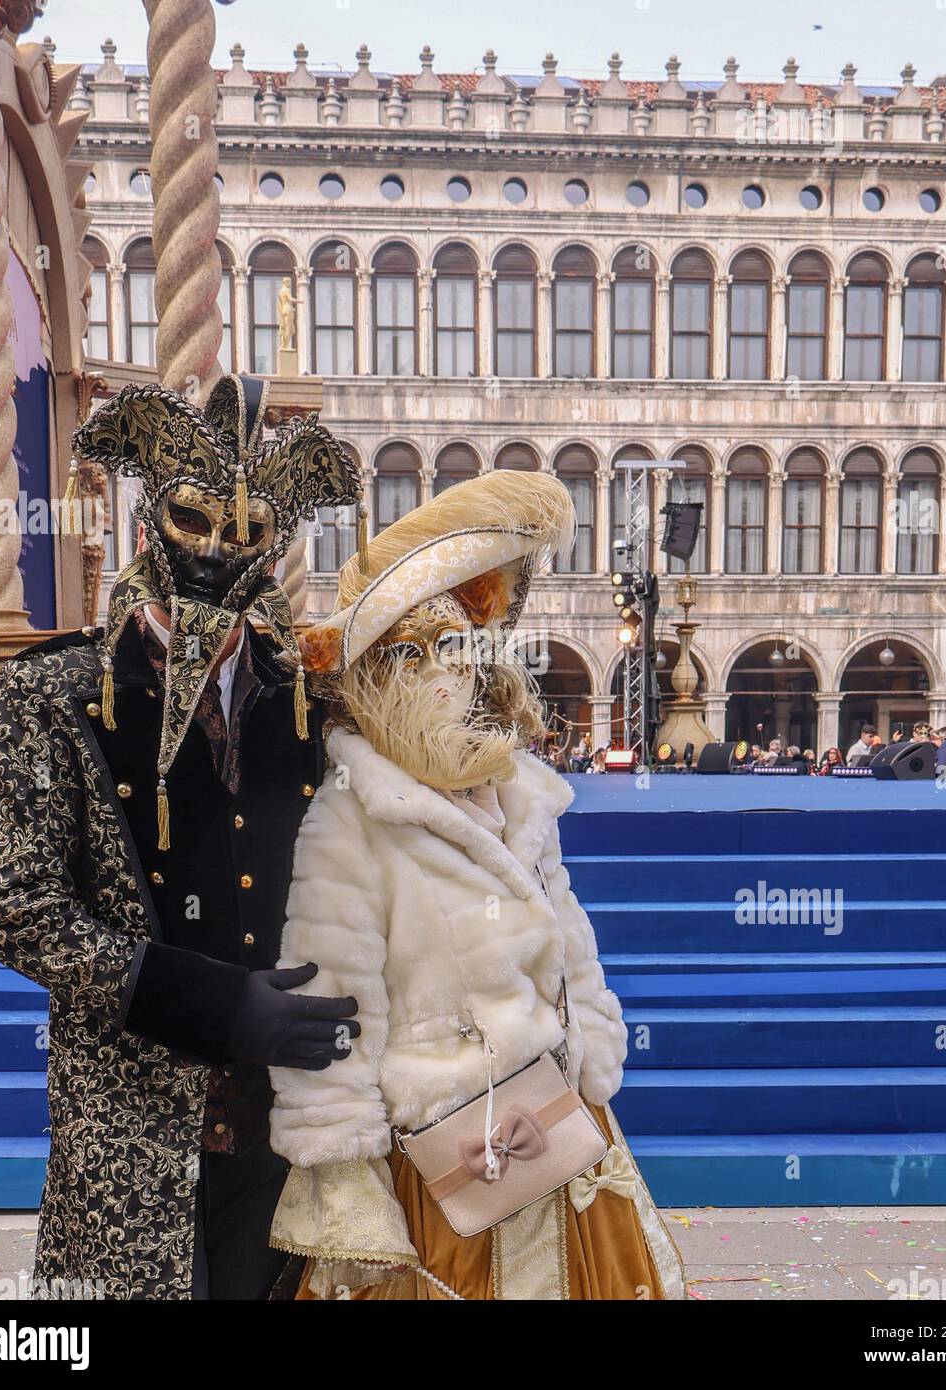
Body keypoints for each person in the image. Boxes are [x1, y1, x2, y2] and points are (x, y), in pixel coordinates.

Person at [0, 375, 365, 1300]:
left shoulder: (311, 703)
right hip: (128, 1121)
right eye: (195, 518)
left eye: (250, 531)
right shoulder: (57, 693)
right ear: (151, 516)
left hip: (286, 1121)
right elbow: (18, 909)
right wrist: (216, 1004)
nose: (220, 551)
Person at [267, 472, 685, 1301]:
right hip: (445, 1159)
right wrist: (346, 1175)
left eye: (453, 648)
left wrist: (592, 1046)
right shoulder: (353, 817)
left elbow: (568, 939)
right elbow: (332, 1010)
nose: (438, 673)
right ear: (370, 676)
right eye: (408, 654)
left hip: (560, 1130)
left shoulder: (521, 795)